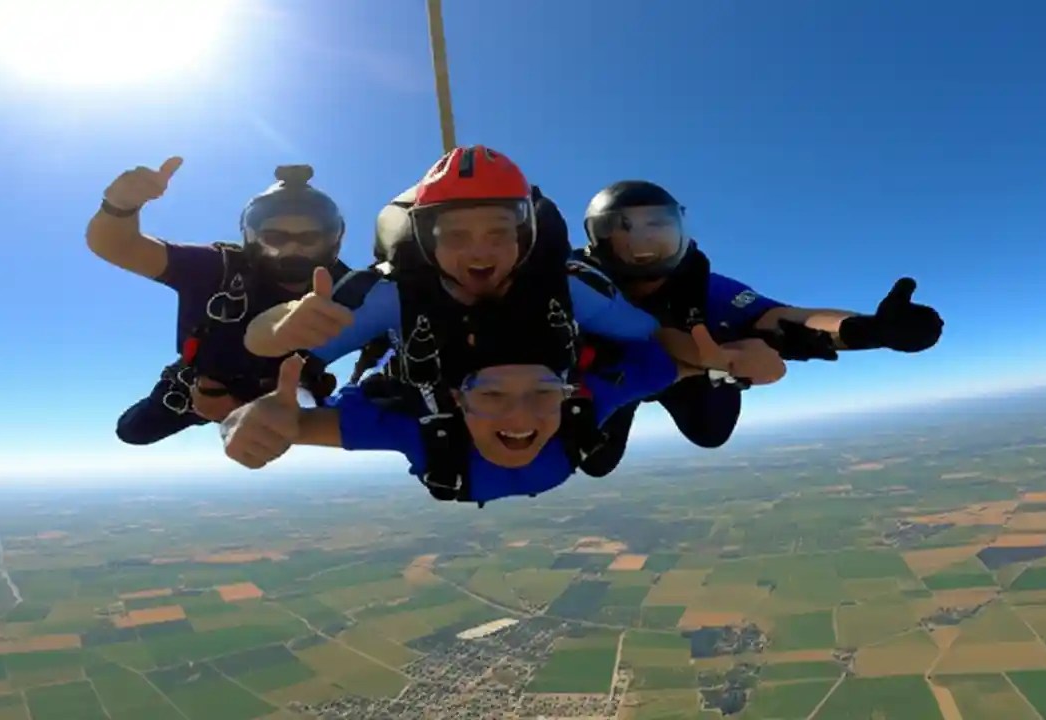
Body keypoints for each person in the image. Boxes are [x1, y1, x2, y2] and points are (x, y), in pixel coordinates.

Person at [575, 180, 945, 472]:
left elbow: (785, 318)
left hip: (700, 370)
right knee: (595, 461)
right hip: (615, 375)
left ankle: (649, 386)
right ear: (601, 240)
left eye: (658, 227)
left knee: (711, 432)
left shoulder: (703, 287)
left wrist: (867, 330)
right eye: (626, 229)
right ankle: (626, 398)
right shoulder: (576, 287)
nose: (644, 242)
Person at [242, 146, 679, 389]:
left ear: (525, 236)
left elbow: (650, 335)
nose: (478, 253)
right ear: (426, 241)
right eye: (455, 235)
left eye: (498, 232)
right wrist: (274, 329)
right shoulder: (390, 293)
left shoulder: (569, 288)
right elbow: (284, 356)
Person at [221, 317, 701, 506]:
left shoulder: (588, 400)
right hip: (577, 418)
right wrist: (246, 423)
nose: (518, 419)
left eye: (540, 393)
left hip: (593, 405)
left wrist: (732, 362)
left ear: (567, 390)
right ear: (457, 400)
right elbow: (287, 424)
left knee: (611, 425)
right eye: (491, 396)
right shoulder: (417, 425)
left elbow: (673, 362)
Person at [86, 158, 350, 445]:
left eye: (309, 238)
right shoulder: (218, 268)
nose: (292, 249)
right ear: (253, 238)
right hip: (203, 387)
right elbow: (117, 246)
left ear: (331, 240)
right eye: (275, 237)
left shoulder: (350, 288)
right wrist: (119, 207)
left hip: (282, 392)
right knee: (133, 431)